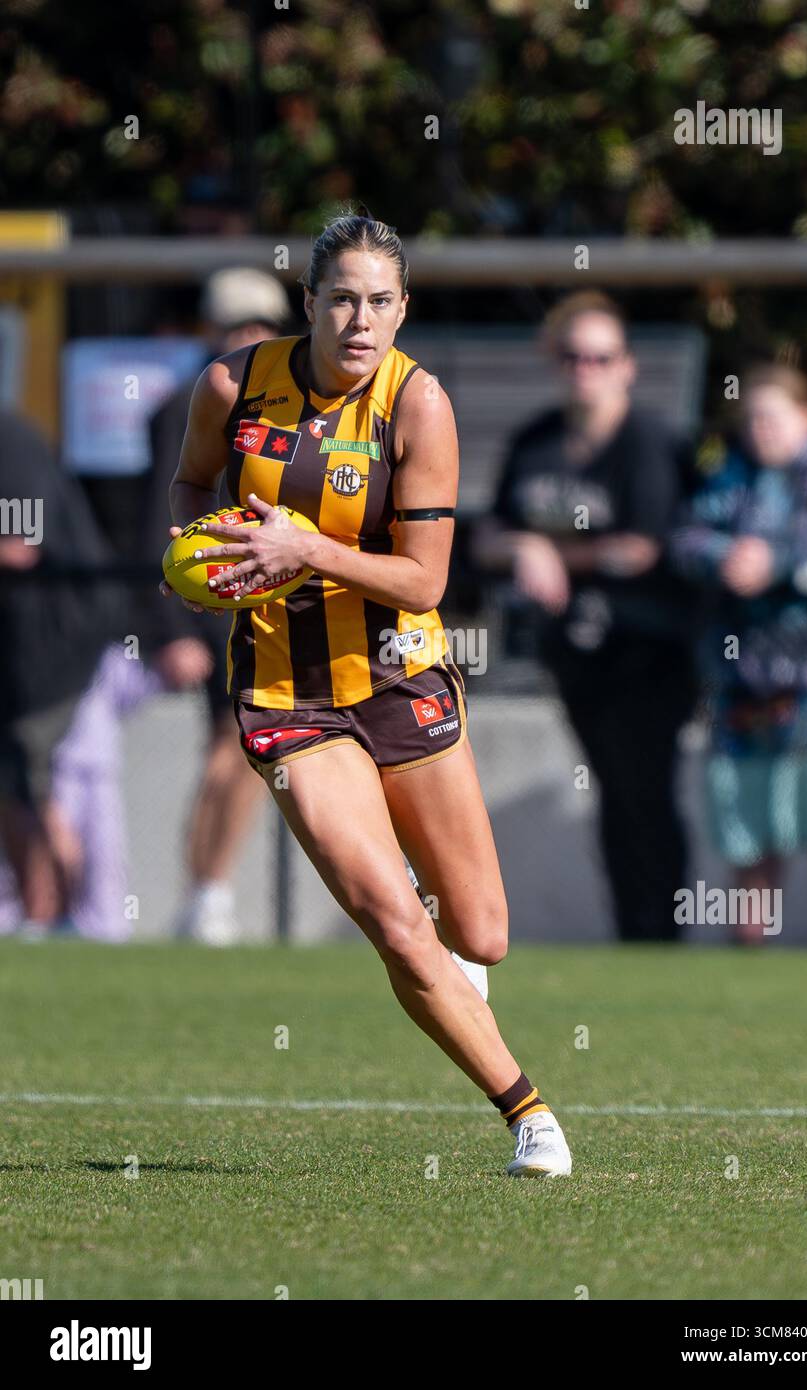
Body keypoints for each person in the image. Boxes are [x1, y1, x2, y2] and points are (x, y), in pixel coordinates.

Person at [161, 205, 572, 1177]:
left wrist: (308, 548)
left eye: (379, 302)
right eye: (340, 298)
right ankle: (528, 1114)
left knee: (481, 931)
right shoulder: (232, 384)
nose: (358, 321)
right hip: (284, 695)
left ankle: (451, 973)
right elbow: (189, 488)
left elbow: (425, 581)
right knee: (392, 916)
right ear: (306, 301)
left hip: (397, 673)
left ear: (401, 309)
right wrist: (193, 560)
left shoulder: (416, 403)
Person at [476, 291, 696, 942]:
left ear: (626, 365)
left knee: (644, 789)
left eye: (602, 358)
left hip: (649, 648)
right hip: (572, 650)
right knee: (611, 787)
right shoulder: (537, 440)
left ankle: (660, 931)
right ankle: (633, 930)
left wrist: (555, 555)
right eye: (573, 357)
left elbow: (642, 548)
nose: (586, 370)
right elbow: (490, 535)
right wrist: (526, 545)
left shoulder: (650, 441)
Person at [671, 364, 807, 945]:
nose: (761, 429)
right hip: (743, 688)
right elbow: (683, 538)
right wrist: (725, 556)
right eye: (751, 417)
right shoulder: (729, 475)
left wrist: (777, 562)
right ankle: (747, 980)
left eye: (773, 416)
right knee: (750, 835)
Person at [140, 267, 293, 943]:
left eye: (262, 323)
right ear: (211, 330)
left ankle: (207, 891)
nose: (250, 336)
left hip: (272, 603)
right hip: (214, 603)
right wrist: (172, 624)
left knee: (246, 751)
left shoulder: (291, 405)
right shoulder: (192, 405)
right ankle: (207, 892)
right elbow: (163, 519)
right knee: (234, 750)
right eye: (236, 326)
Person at [0, 409, 110, 935]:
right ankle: (42, 916)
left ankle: (56, 917)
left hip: (52, 645)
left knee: (31, 782)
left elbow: (19, 546)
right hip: (21, 649)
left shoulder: (11, 440)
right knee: (20, 785)